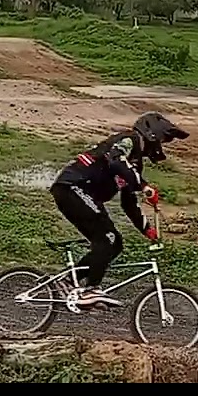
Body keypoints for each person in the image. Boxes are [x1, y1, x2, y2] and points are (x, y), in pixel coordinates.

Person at [49, 111, 189, 309]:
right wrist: (144, 186)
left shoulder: (134, 163)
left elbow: (128, 201)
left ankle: (67, 281)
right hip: (73, 187)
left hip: (78, 192)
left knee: (115, 243)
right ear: (152, 133)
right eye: (163, 139)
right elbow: (115, 160)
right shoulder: (128, 140)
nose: (162, 144)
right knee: (107, 239)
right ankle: (90, 290)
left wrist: (147, 229)